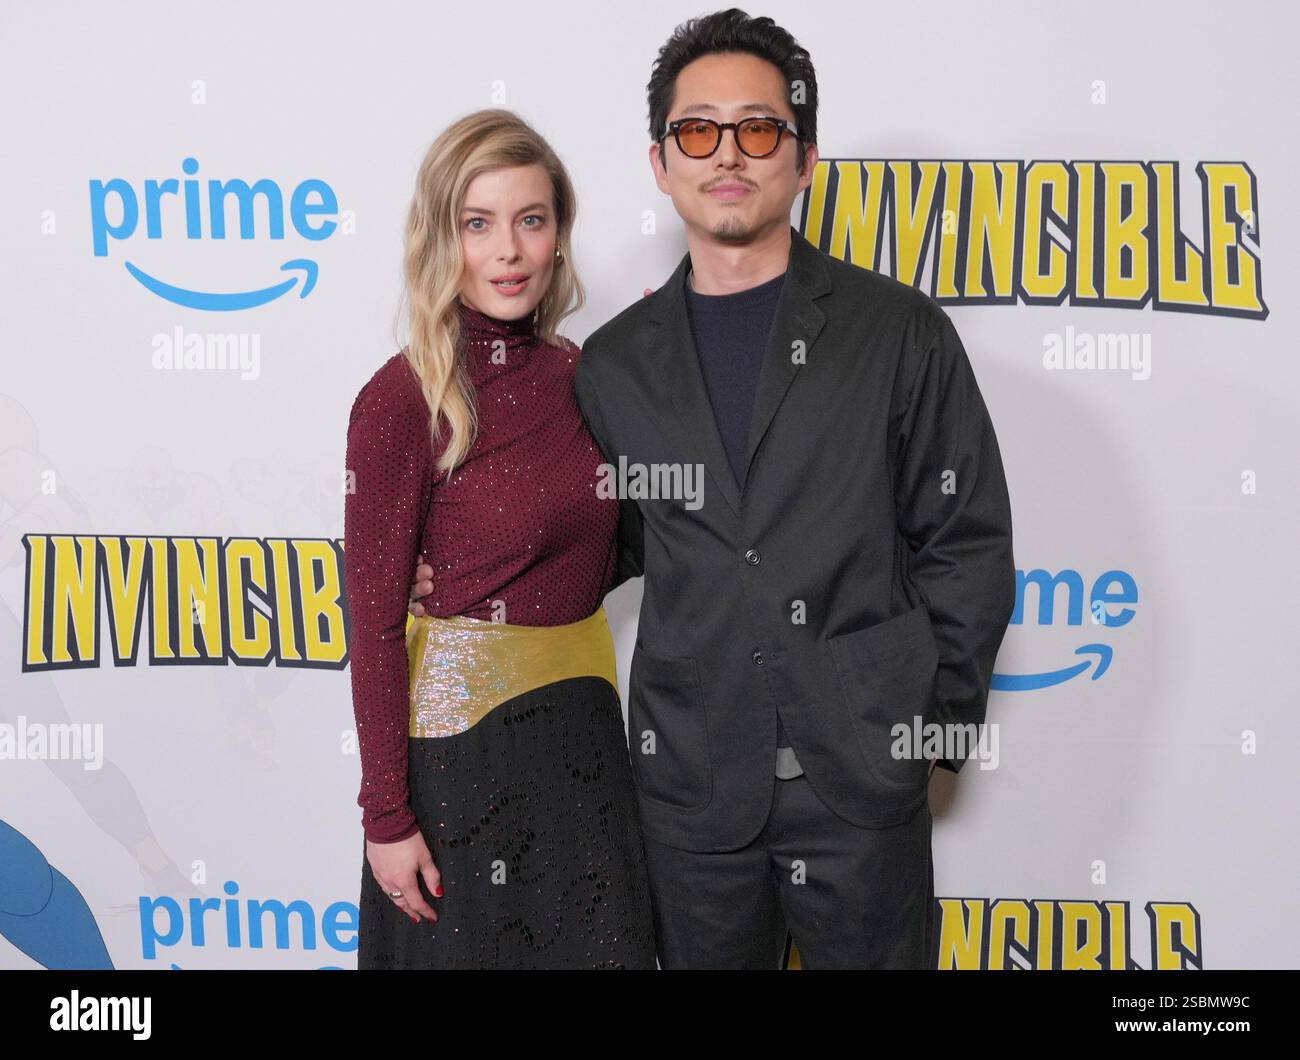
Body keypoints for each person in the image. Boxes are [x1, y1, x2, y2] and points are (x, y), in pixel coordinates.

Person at [416, 8, 1015, 970]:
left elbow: (967, 540)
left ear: (804, 156)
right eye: (698, 131)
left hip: (861, 793)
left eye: (758, 128)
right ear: (661, 163)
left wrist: (919, 730)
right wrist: (461, 583)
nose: (727, 154)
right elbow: (605, 536)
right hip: (691, 794)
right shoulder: (610, 366)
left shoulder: (898, 333)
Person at [343, 109, 656, 969]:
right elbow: (371, 628)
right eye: (477, 224)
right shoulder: (401, 400)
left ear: (559, 235)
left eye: (532, 219)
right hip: (458, 769)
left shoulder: (584, 376)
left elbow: (628, 542)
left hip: (585, 749)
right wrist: (386, 820)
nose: (508, 250)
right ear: (442, 238)